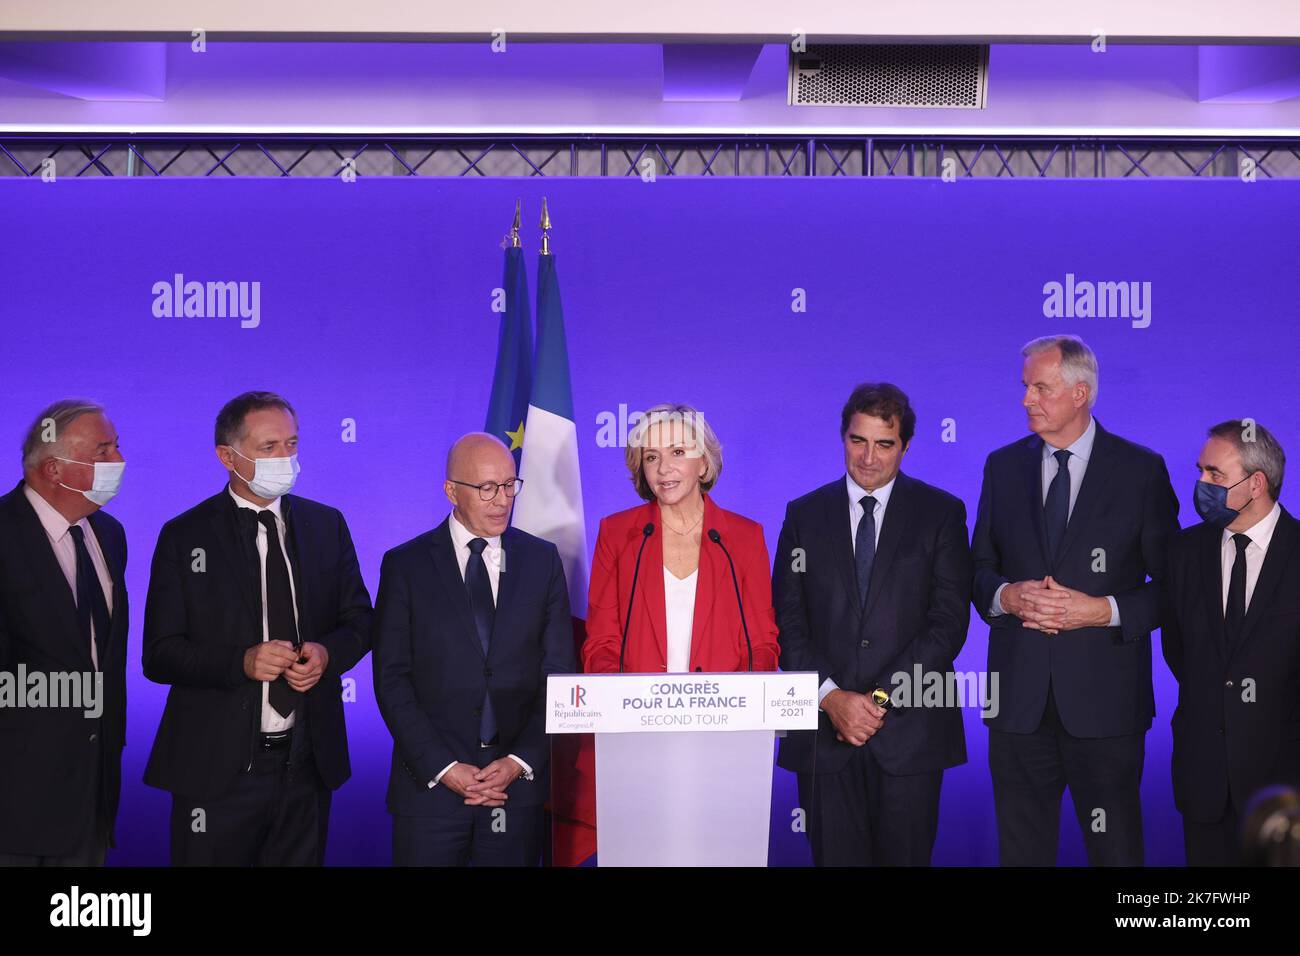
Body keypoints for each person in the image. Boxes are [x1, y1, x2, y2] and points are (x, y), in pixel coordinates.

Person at [972, 335, 1179, 866]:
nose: (1026, 399)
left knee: (1115, 854)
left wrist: (1102, 610)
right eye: (1025, 387)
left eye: (1040, 387)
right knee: (1022, 854)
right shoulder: (1002, 466)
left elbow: (1176, 589)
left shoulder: (1141, 471)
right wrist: (1006, 596)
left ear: (1080, 392)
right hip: (1018, 706)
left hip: (1105, 710)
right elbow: (977, 570)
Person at [142, 391, 372, 865]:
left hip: (307, 765)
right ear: (228, 456)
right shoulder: (185, 536)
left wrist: (328, 655)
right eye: (269, 448)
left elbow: (360, 621)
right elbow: (160, 653)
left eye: (291, 444)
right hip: (215, 771)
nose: (285, 458)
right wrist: (241, 662)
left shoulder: (326, 525)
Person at [774, 383, 971, 865]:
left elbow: (947, 624)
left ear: (905, 446)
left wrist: (877, 701)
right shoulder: (804, 515)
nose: (868, 457)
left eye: (884, 444)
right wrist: (832, 698)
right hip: (824, 735)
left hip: (910, 736)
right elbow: (786, 622)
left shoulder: (941, 514)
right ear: (843, 437)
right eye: (858, 440)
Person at [373, 432, 574, 866]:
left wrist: (519, 760)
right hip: (428, 792)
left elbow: (559, 674)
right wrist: (445, 767)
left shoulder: (542, 561)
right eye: (486, 488)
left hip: (514, 791)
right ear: (451, 491)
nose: (502, 500)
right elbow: (391, 679)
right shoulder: (405, 566)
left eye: (508, 485)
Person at [1162, 419, 1300, 865]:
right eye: (1200, 471)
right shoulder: (1183, 552)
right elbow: (1180, 651)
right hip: (1203, 782)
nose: (1201, 484)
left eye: (1214, 475)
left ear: (1257, 483)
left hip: (1285, 787)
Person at [0, 399, 127, 866]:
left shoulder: (109, 534)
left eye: (117, 447)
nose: (119, 461)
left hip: (93, 798)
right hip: (15, 803)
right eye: (104, 450)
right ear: (55, 469)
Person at [584, 404, 778, 674]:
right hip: (636, 710)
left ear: (703, 462)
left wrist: (743, 701)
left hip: (724, 710)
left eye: (677, 452)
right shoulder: (616, 534)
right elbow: (602, 641)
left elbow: (761, 644)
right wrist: (619, 702)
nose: (664, 468)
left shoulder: (745, 538)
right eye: (652, 457)